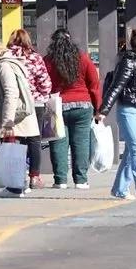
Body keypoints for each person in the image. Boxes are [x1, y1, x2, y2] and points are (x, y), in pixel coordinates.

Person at [98, 28, 136, 200]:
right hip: (129, 110)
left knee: (132, 151)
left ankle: (120, 189)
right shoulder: (128, 62)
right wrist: (103, 111)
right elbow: (115, 87)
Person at [44, 28, 101, 190]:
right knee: (81, 143)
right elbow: (94, 84)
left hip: (57, 104)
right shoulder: (82, 58)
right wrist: (98, 108)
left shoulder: (48, 60)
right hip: (82, 105)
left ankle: (60, 180)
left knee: (58, 142)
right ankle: (81, 180)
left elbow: (44, 83)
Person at [0, 41, 40, 198]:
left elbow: (11, 92)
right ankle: (20, 184)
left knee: (13, 151)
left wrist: (8, 122)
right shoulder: (15, 63)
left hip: (15, 117)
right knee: (18, 151)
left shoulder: (4, 66)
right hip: (22, 115)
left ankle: (14, 188)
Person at [6, 29, 52, 190]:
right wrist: (42, 95)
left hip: (14, 104)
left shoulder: (7, 58)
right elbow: (45, 83)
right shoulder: (35, 58)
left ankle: (16, 176)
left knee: (16, 138)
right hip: (35, 104)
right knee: (34, 139)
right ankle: (34, 176)